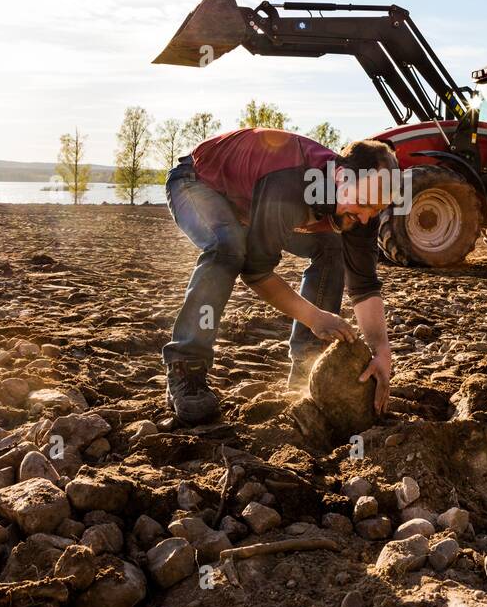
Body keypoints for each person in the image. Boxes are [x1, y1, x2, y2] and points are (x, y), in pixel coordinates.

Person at [162, 127, 399, 425]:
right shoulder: (290, 182)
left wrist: (381, 351)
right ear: (341, 177)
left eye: (375, 210)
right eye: (363, 204)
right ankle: (186, 367)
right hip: (198, 183)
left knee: (333, 245)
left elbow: (364, 286)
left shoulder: (360, 211)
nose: (366, 217)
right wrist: (315, 317)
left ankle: (307, 366)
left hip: (251, 202)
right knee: (228, 247)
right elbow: (257, 273)